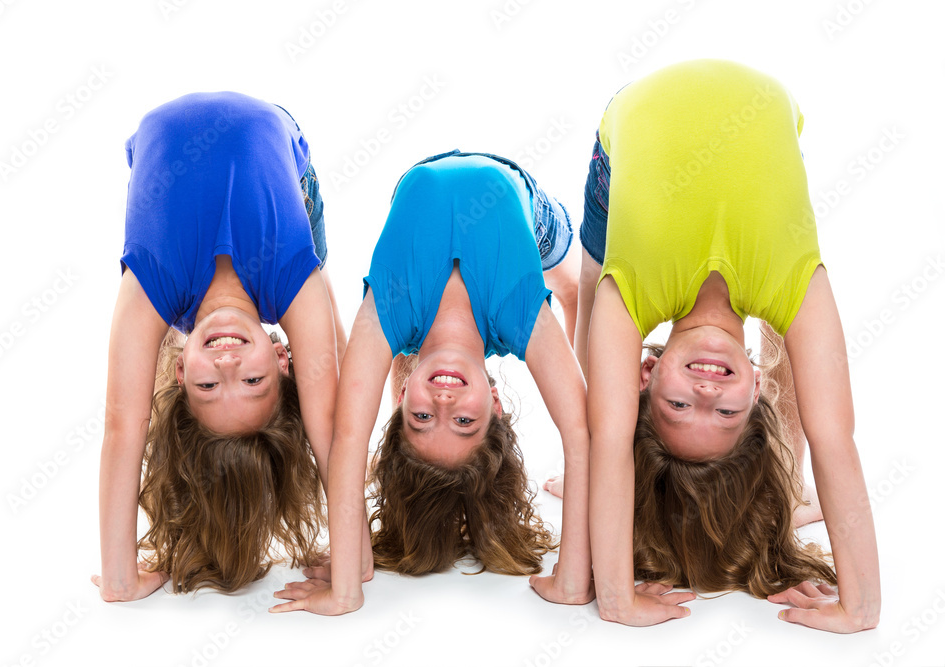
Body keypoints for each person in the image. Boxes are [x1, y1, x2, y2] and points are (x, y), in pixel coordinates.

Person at [567, 60, 880, 632]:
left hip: (628, 115)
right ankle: (790, 482)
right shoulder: (790, 285)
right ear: (756, 385)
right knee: (800, 348)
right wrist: (859, 607)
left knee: (591, 313)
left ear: (647, 370)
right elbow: (833, 433)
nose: (708, 389)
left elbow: (609, 436)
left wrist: (615, 599)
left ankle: (587, 472)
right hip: (767, 112)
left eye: (681, 406)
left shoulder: (631, 297)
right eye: (727, 409)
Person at [271, 150, 591, 614]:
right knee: (574, 288)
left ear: (399, 401)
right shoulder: (518, 310)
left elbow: (347, 437)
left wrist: (349, 579)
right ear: (495, 404)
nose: (443, 400)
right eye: (463, 421)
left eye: (421, 418)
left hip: (421, 174)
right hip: (532, 215)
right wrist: (572, 582)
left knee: (399, 354)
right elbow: (581, 434)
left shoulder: (391, 308)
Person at [91, 92, 346, 600]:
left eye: (209, 385)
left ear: (181, 370)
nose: (228, 362)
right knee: (326, 340)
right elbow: (330, 431)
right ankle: (319, 353)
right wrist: (351, 560)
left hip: (155, 141)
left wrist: (120, 579)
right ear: (280, 358)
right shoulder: (292, 279)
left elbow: (124, 425)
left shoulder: (153, 285)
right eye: (252, 381)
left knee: (319, 333)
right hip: (285, 149)